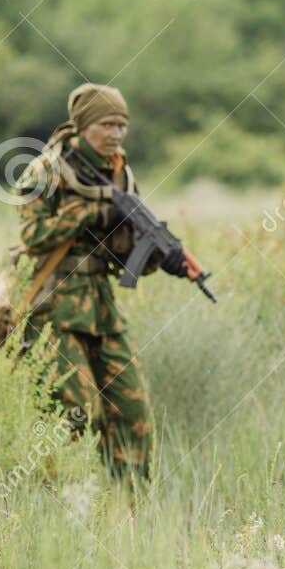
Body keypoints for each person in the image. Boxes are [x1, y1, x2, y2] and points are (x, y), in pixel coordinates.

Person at [15, 83, 183, 481]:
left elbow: (125, 251)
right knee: (75, 413)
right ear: (83, 125)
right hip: (53, 305)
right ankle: (65, 496)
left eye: (122, 125)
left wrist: (160, 256)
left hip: (101, 306)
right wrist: (92, 214)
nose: (116, 133)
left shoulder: (121, 173)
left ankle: (129, 503)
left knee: (133, 410)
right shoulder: (47, 169)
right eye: (107, 124)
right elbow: (32, 235)